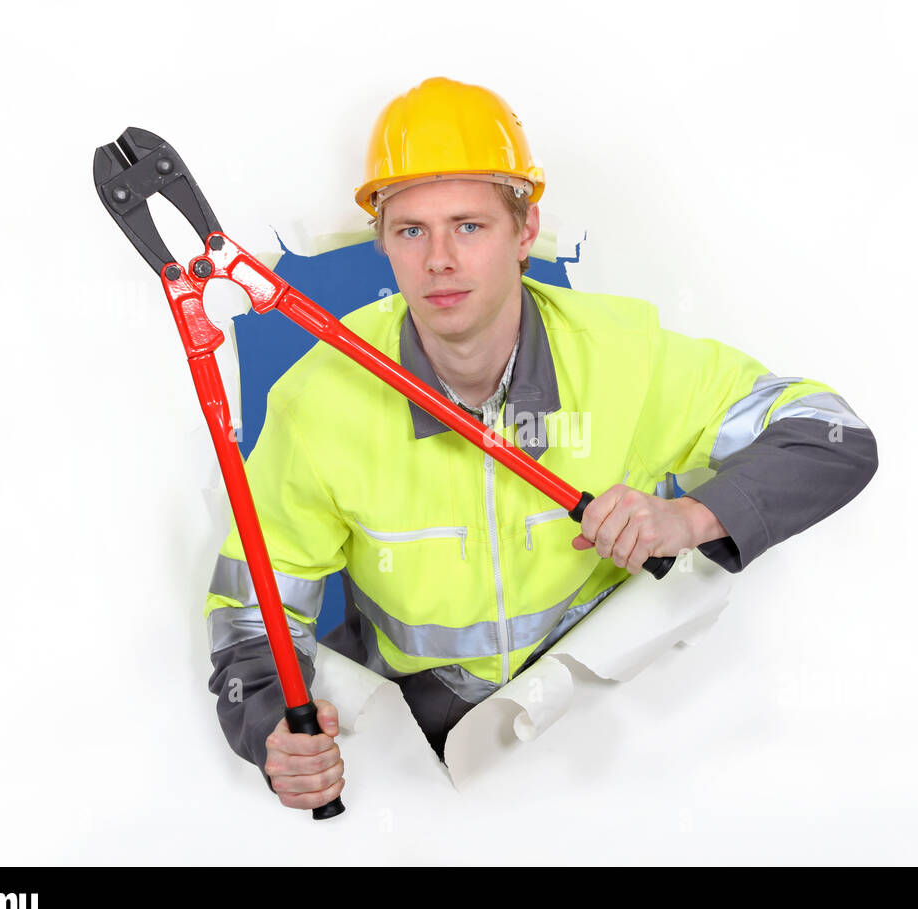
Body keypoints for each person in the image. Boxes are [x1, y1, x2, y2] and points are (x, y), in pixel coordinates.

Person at [204, 76, 879, 812]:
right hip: (415, 746)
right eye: (410, 230)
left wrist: (687, 518)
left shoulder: (627, 358)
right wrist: (270, 730)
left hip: (595, 726)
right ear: (383, 244)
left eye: (469, 225)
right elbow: (247, 619)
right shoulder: (320, 403)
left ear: (524, 233)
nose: (439, 260)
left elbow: (831, 435)